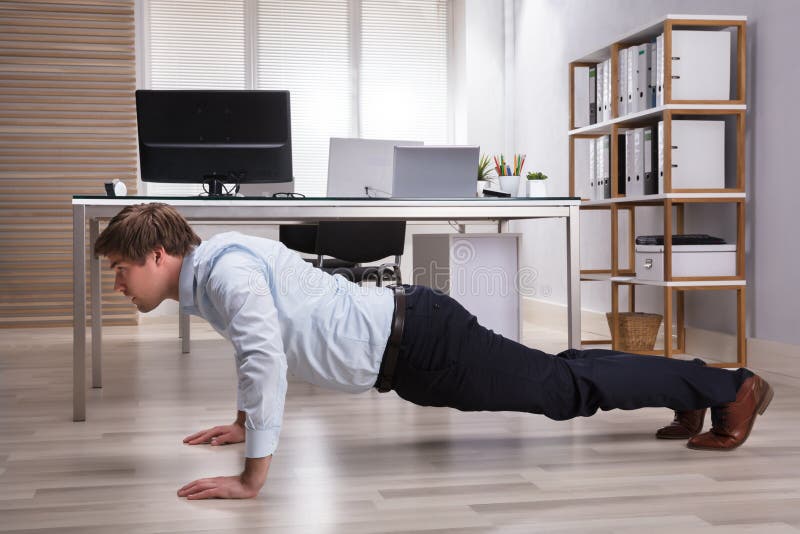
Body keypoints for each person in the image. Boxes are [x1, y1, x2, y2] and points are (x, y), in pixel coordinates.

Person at [94, 203, 774, 500]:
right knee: (563, 373)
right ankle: (695, 386)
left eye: (121, 268)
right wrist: (244, 422)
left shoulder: (225, 272)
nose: (119, 283)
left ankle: (729, 387)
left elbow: (264, 356)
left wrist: (252, 477)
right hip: (413, 344)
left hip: (421, 342)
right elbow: (256, 349)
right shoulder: (213, 272)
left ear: (158, 254)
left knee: (565, 390)